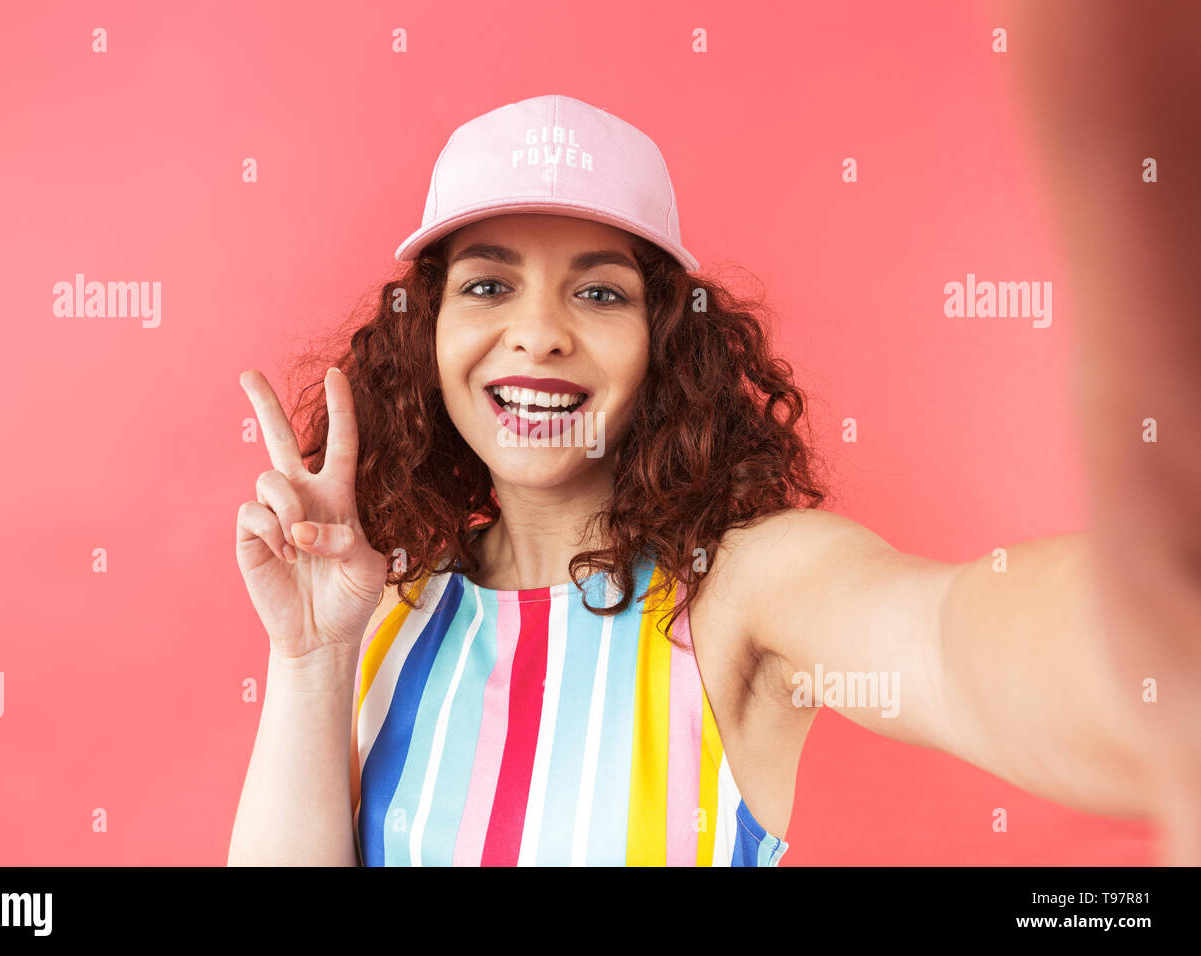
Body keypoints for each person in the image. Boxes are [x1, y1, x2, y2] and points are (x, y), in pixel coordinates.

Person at [226, 90, 1198, 867]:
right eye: (487, 283)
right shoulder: (383, 607)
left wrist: (1171, 645)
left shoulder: (739, 593)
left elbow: (946, 635)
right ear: (427, 331)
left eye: (599, 291)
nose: (538, 332)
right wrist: (310, 660)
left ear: (664, 342)